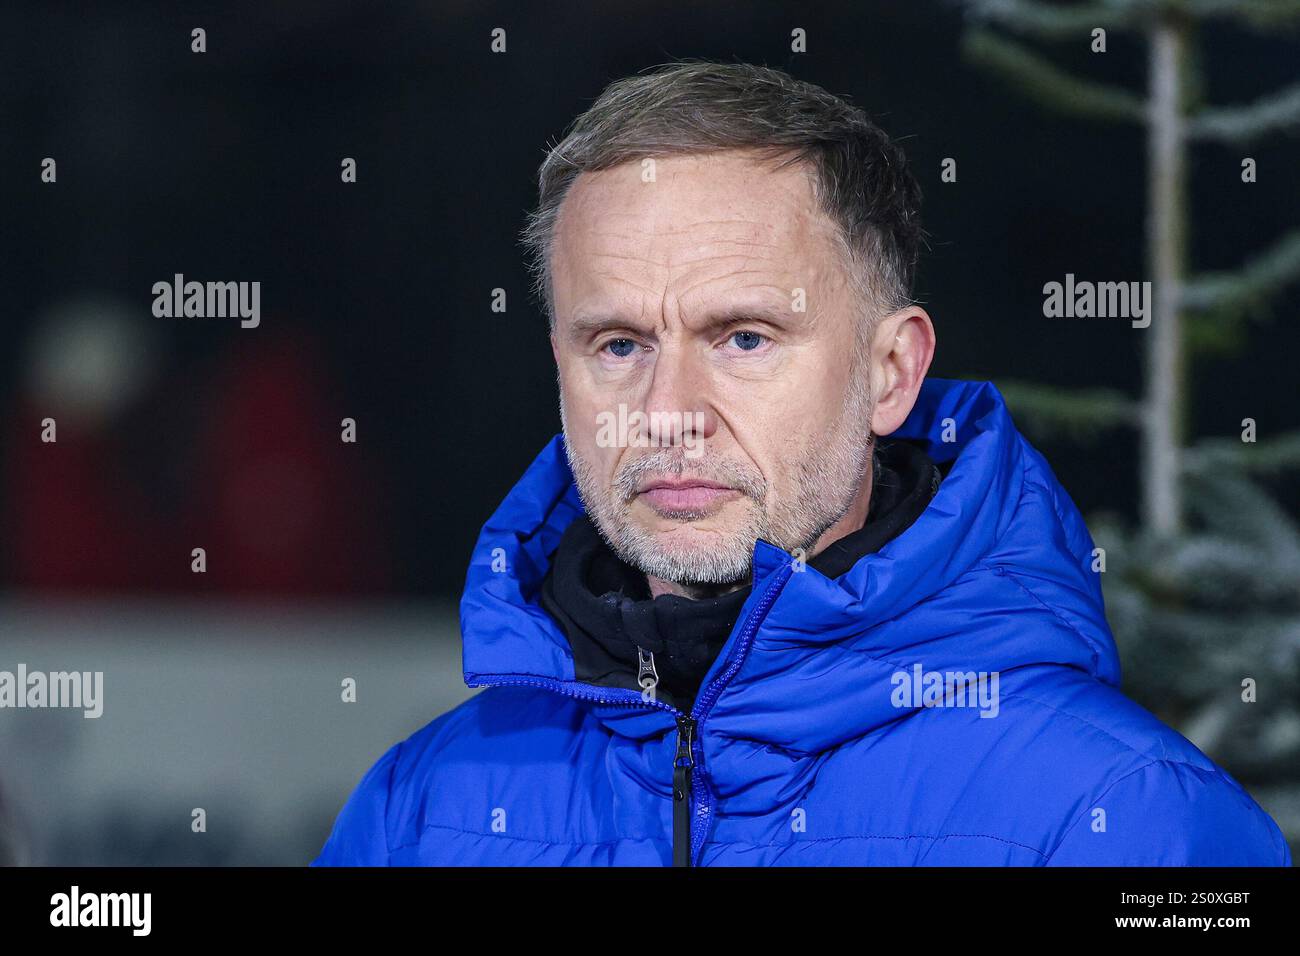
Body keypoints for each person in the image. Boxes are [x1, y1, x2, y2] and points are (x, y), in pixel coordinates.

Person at [313, 61, 1290, 866]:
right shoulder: (421, 808)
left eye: (742, 337)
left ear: (889, 371)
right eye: (617, 345)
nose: (668, 414)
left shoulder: (1121, 818)